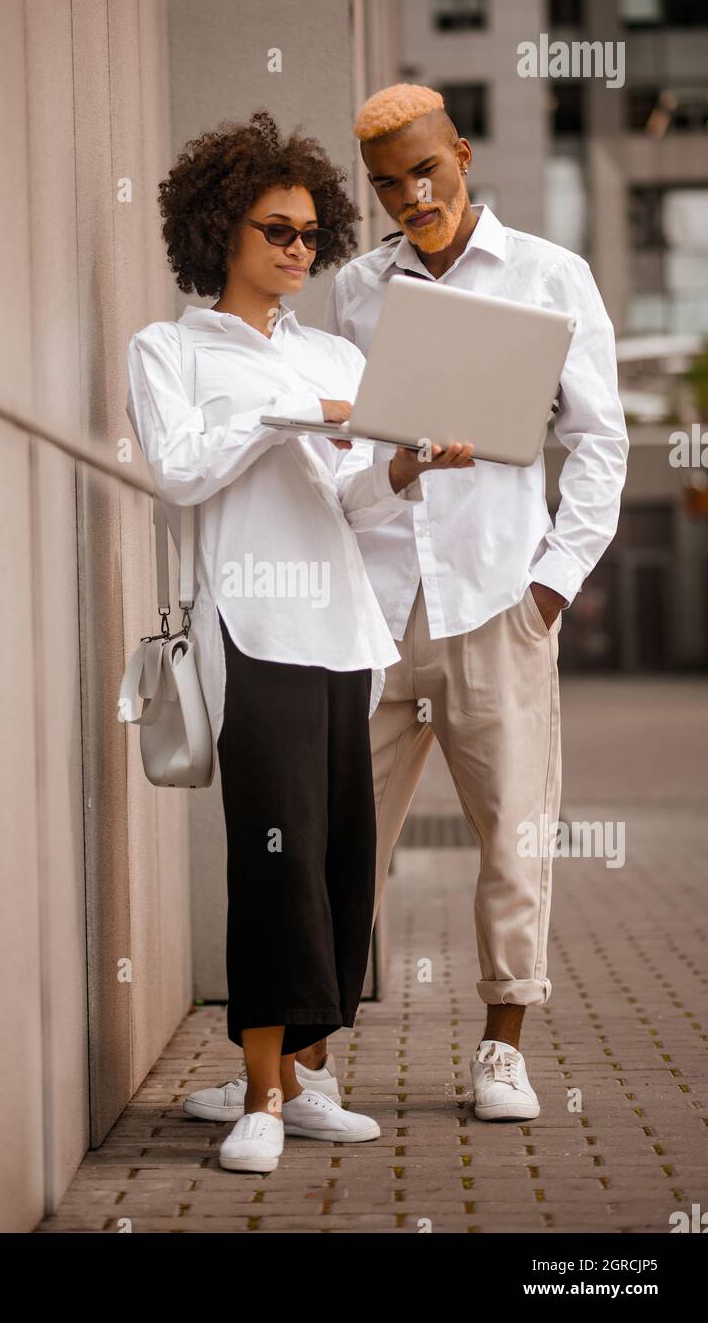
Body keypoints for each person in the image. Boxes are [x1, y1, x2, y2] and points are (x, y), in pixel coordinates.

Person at [186, 84, 628, 1127]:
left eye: (424, 171)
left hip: (494, 601)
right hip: (374, 604)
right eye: (386, 184)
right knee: (340, 840)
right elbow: (349, 445)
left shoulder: (550, 277)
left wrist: (551, 586)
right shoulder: (356, 292)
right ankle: (308, 1064)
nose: (409, 196)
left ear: (462, 154)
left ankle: (502, 1044)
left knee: (515, 834)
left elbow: (600, 444)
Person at [126, 108, 473, 1172]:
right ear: (222, 229)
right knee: (272, 861)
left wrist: (405, 466)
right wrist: (287, 418)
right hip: (255, 629)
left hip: (342, 632)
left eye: (310, 234)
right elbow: (179, 471)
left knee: (336, 861)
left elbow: (357, 501)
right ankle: (260, 1099)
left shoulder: (330, 351)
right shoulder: (172, 350)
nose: (297, 249)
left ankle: (309, 1078)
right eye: (276, 229)